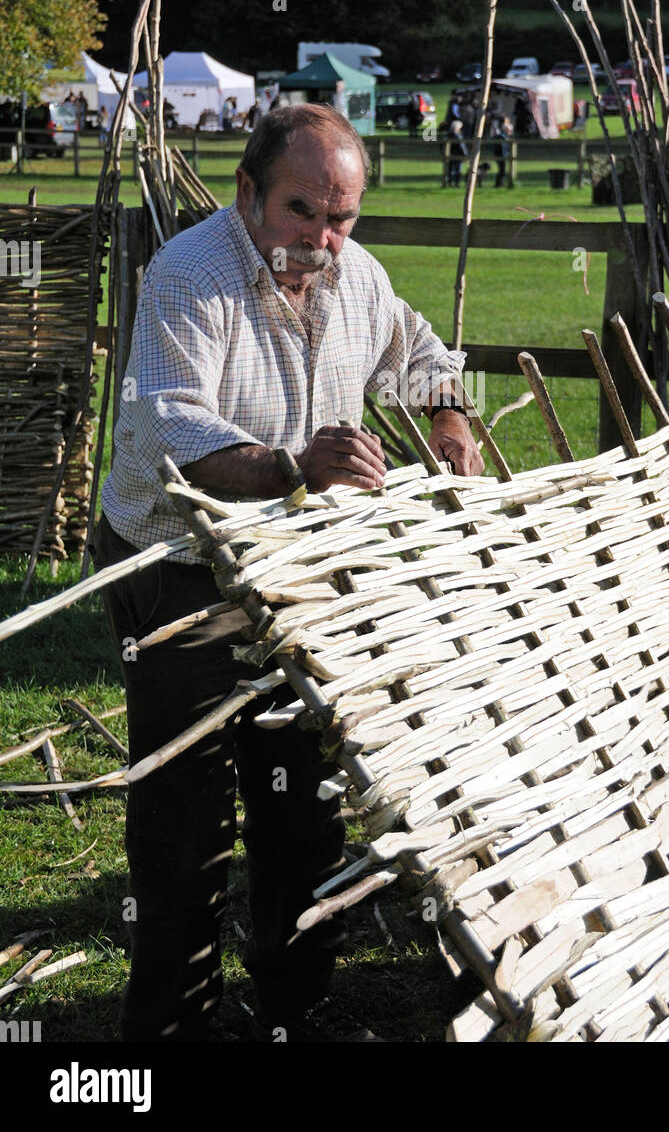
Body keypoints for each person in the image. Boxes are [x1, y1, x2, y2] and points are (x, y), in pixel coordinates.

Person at [92, 104, 483, 1044]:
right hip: (177, 561)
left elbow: (422, 354)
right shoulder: (189, 275)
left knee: (301, 798)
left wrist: (448, 418)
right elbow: (167, 432)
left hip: (300, 570)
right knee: (185, 807)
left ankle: (292, 1007)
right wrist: (291, 466)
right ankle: (167, 1027)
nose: (320, 238)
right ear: (247, 193)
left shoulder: (358, 277)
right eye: (300, 210)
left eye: (340, 217)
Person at [447, 118, 468, 186]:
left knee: (450, 169)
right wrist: (465, 154)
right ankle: (456, 183)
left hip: (449, 155)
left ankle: (449, 182)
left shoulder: (448, 135)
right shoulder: (458, 136)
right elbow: (461, 146)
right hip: (458, 154)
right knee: (457, 170)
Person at [493, 116, 512, 188]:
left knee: (502, 170)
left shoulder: (504, 136)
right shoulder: (502, 136)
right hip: (501, 155)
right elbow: (502, 147)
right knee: (502, 170)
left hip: (501, 155)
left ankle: (499, 184)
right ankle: (498, 184)